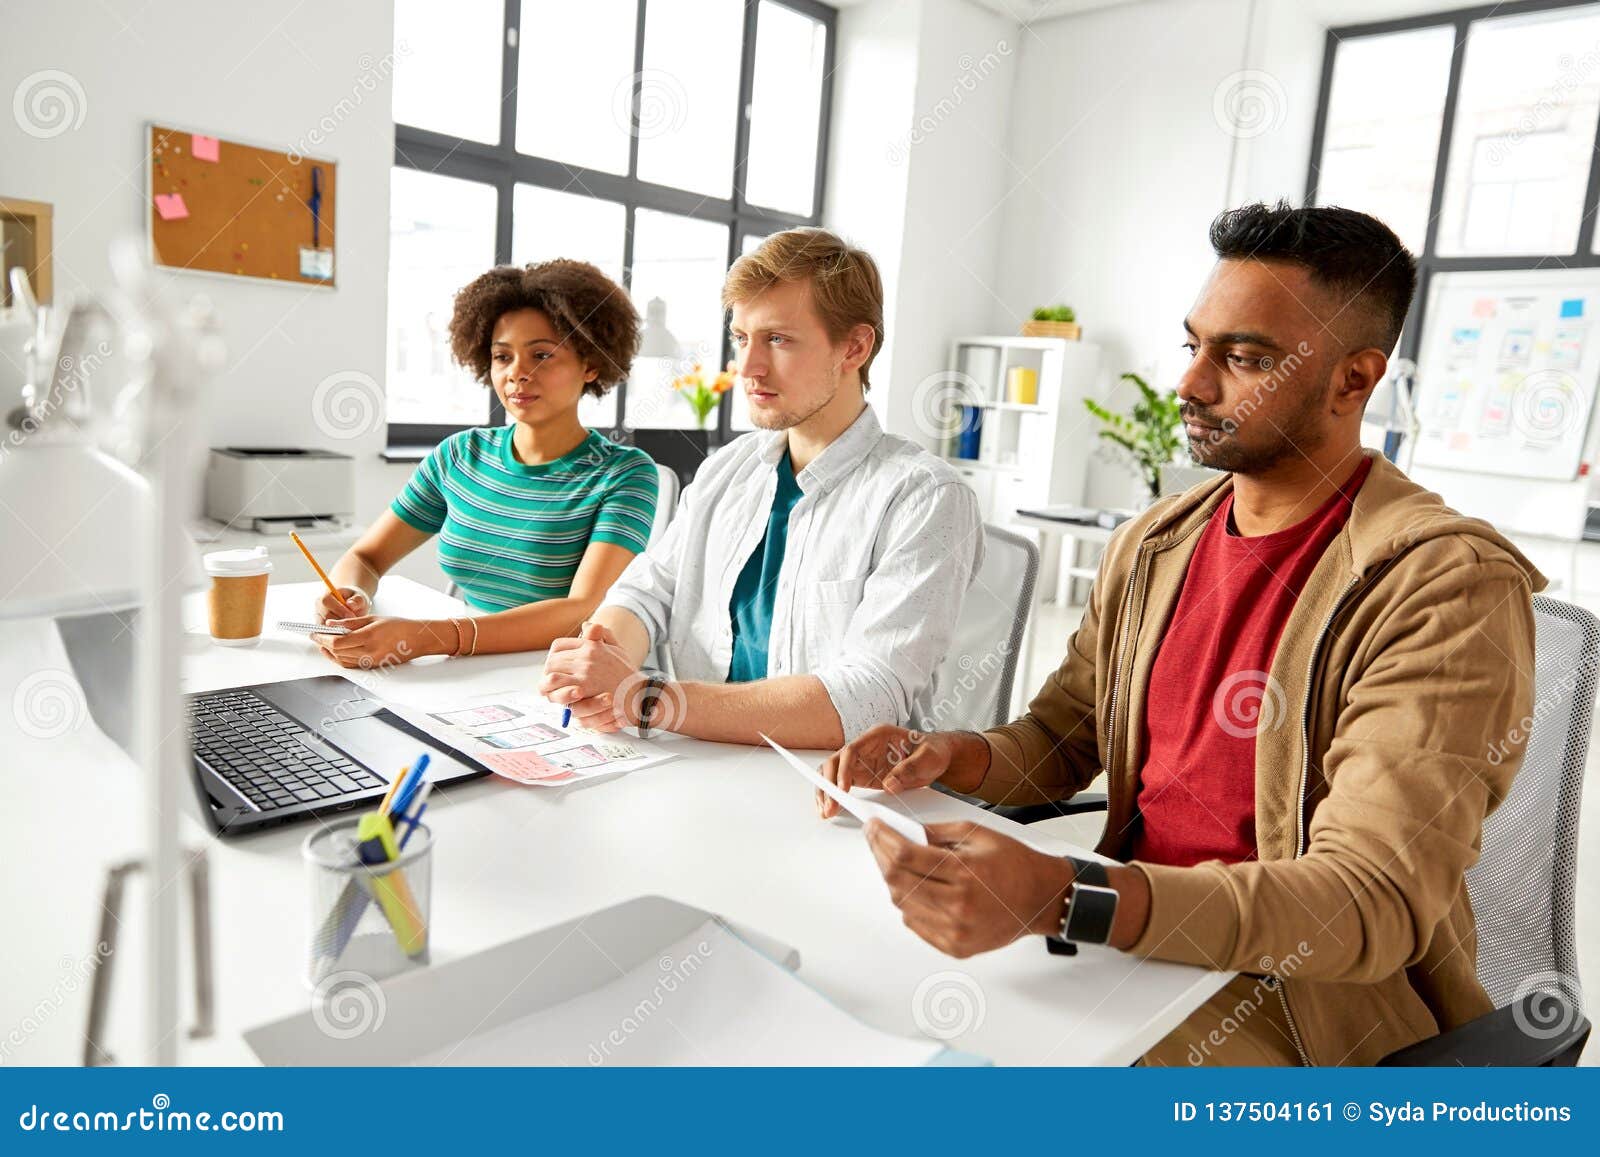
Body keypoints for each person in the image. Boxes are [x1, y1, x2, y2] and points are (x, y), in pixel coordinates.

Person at [819, 202, 1545, 1066]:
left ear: (1354, 380)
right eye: (1195, 345)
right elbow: (1060, 735)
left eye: (1244, 358)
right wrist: (947, 756)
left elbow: (1367, 901)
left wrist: (1070, 896)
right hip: (1139, 945)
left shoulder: (1444, 586)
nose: (1192, 385)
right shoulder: (1156, 543)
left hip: (1310, 1009)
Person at [536, 228, 983, 748]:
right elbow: (648, 592)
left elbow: (866, 700)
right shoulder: (728, 469)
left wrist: (647, 699)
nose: (747, 368)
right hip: (700, 759)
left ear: (855, 347)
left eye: (778, 339)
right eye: (742, 338)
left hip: (831, 792)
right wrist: (601, 659)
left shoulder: (924, 498)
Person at [314, 259, 659, 667]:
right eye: (502, 356)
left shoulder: (625, 474)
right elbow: (365, 558)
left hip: (553, 673)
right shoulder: (460, 456)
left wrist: (429, 638)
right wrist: (351, 595)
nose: (518, 374)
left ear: (591, 365)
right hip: (463, 665)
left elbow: (581, 610)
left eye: (542, 355)